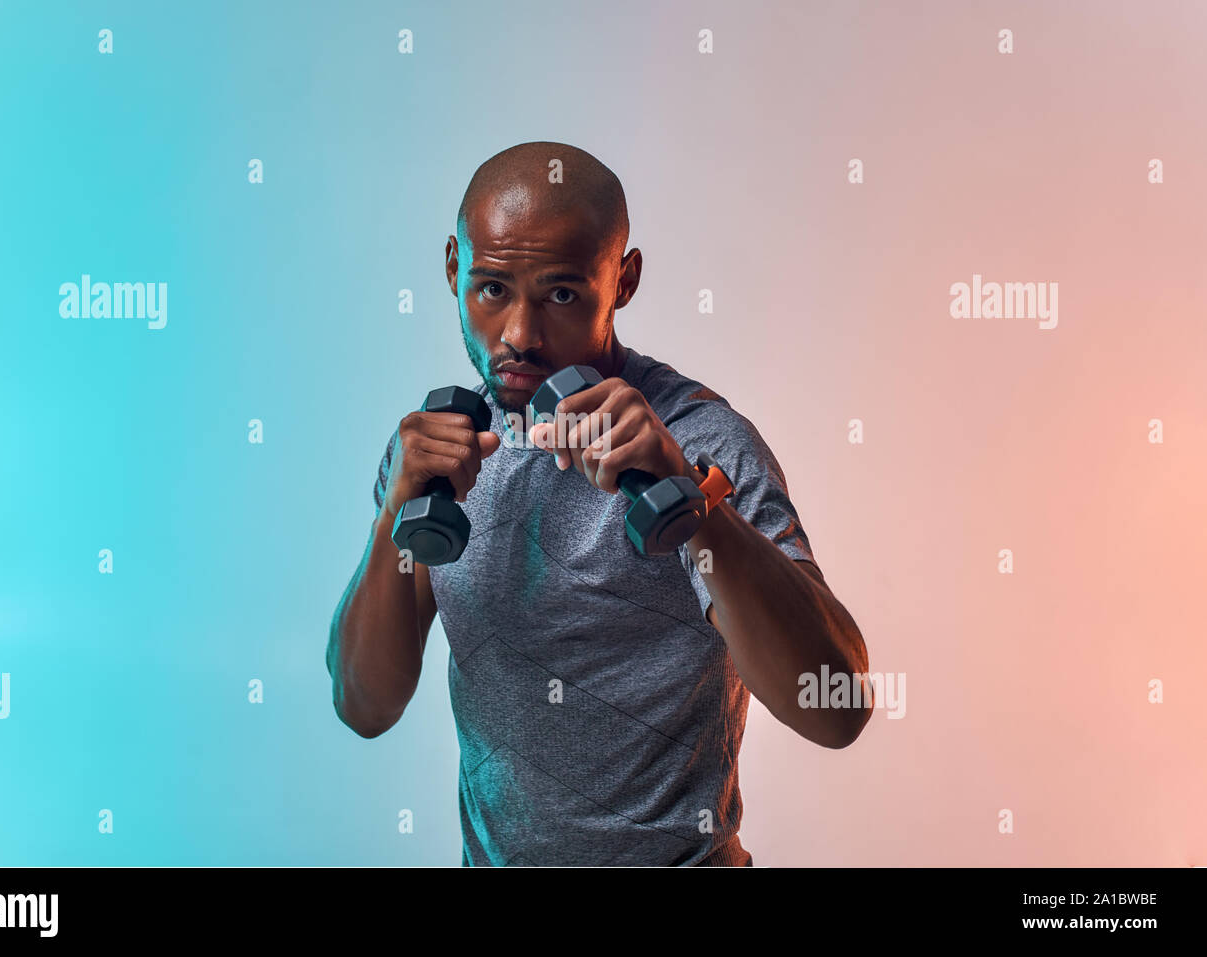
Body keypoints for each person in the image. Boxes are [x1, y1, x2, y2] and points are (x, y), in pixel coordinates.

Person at [327, 141, 870, 866]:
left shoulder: (702, 441)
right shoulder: (437, 454)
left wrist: (698, 509)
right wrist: (394, 522)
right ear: (454, 269)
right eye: (492, 288)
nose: (519, 333)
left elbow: (837, 709)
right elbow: (365, 706)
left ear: (624, 278)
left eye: (560, 293)